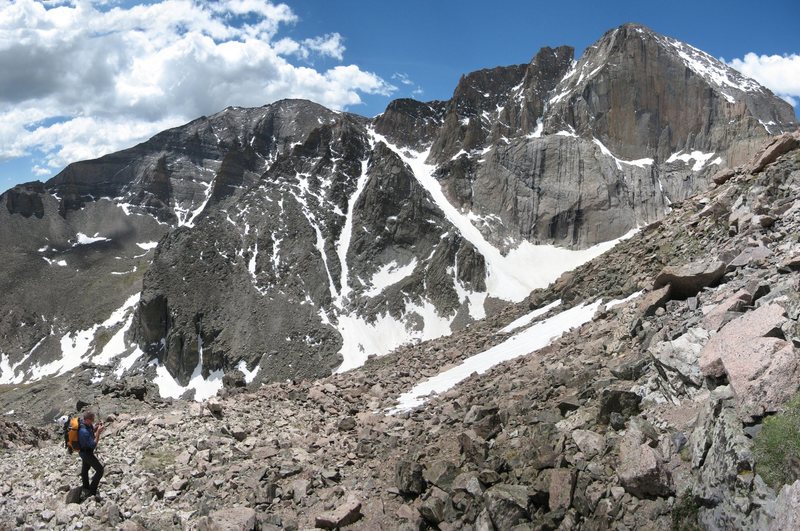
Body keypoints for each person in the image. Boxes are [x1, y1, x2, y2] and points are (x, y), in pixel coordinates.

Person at [78, 411, 105, 499]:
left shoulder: (85, 424)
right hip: (86, 453)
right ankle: (92, 490)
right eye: (92, 419)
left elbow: (91, 429)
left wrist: (96, 427)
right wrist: (98, 433)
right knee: (100, 470)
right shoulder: (83, 432)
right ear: (87, 420)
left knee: (85, 469)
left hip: (84, 452)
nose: (93, 421)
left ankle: (86, 487)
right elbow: (93, 445)